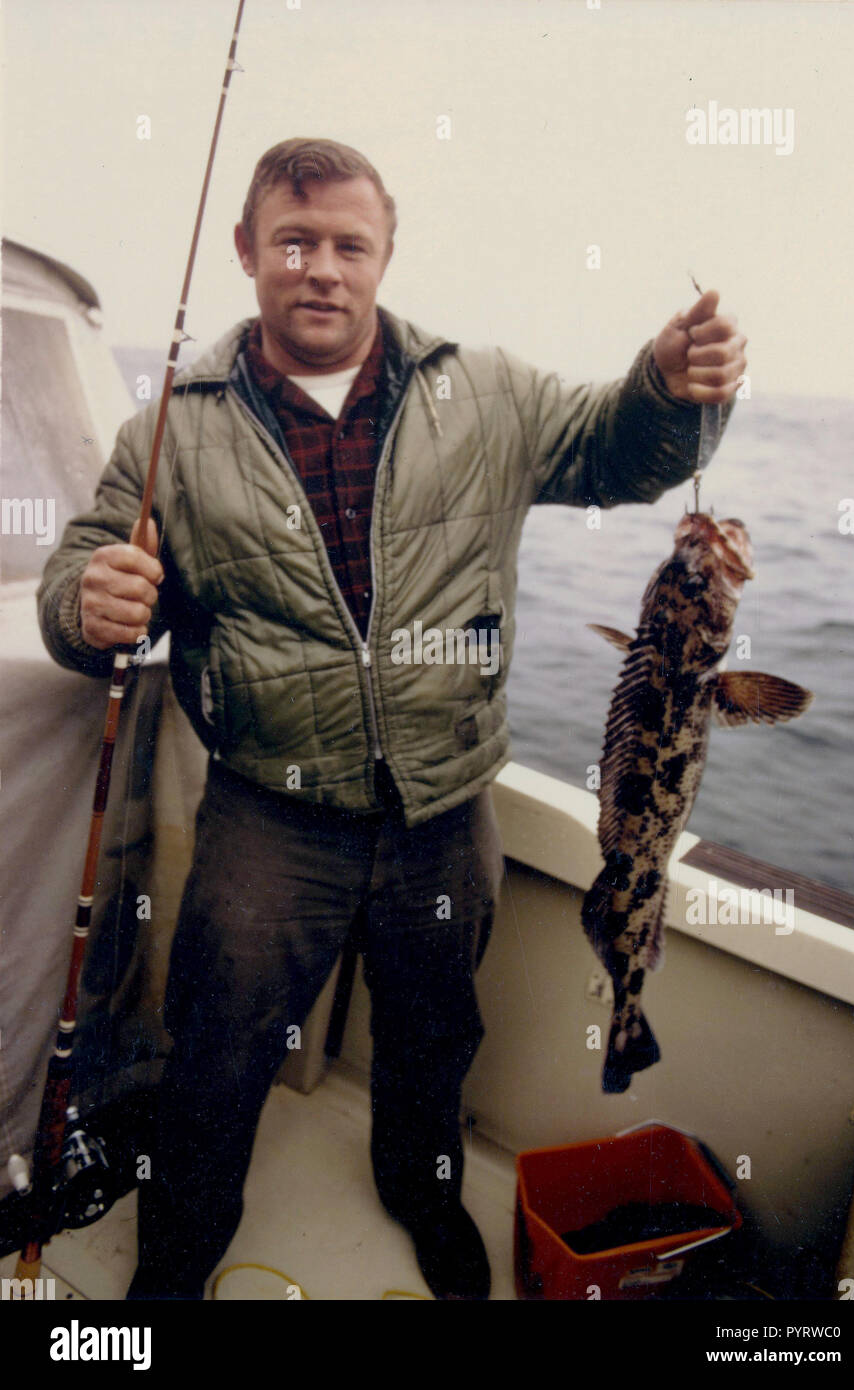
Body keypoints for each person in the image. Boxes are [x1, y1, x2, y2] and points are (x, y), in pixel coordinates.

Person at [37, 138, 747, 1301]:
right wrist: (88, 602)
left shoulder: (489, 392)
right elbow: (87, 576)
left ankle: (423, 1194)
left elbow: (615, 448)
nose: (321, 268)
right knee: (216, 1047)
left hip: (444, 810)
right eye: (295, 241)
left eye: (347, 244)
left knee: (432, 1042)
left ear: (385, 254)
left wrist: (668, 384)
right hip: (270, 815)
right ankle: (180, 1243)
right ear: (248, 253)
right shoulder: (175, 428)